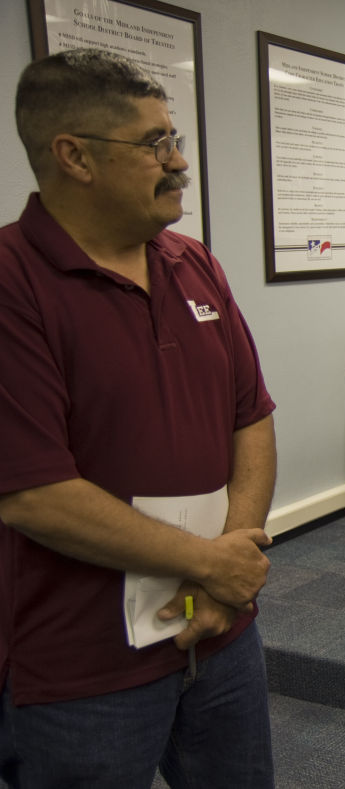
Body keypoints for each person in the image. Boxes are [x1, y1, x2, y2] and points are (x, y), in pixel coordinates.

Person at [0, 50, 277, 787]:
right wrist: (213, 566)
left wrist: (227, 579)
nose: (179, 160)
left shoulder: (193, 264)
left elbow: (250, 420)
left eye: (174, 138)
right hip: (82, 668)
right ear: (74, 156)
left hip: (220, 635)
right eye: (155, 143)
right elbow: (33, 492)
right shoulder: (12, 283)